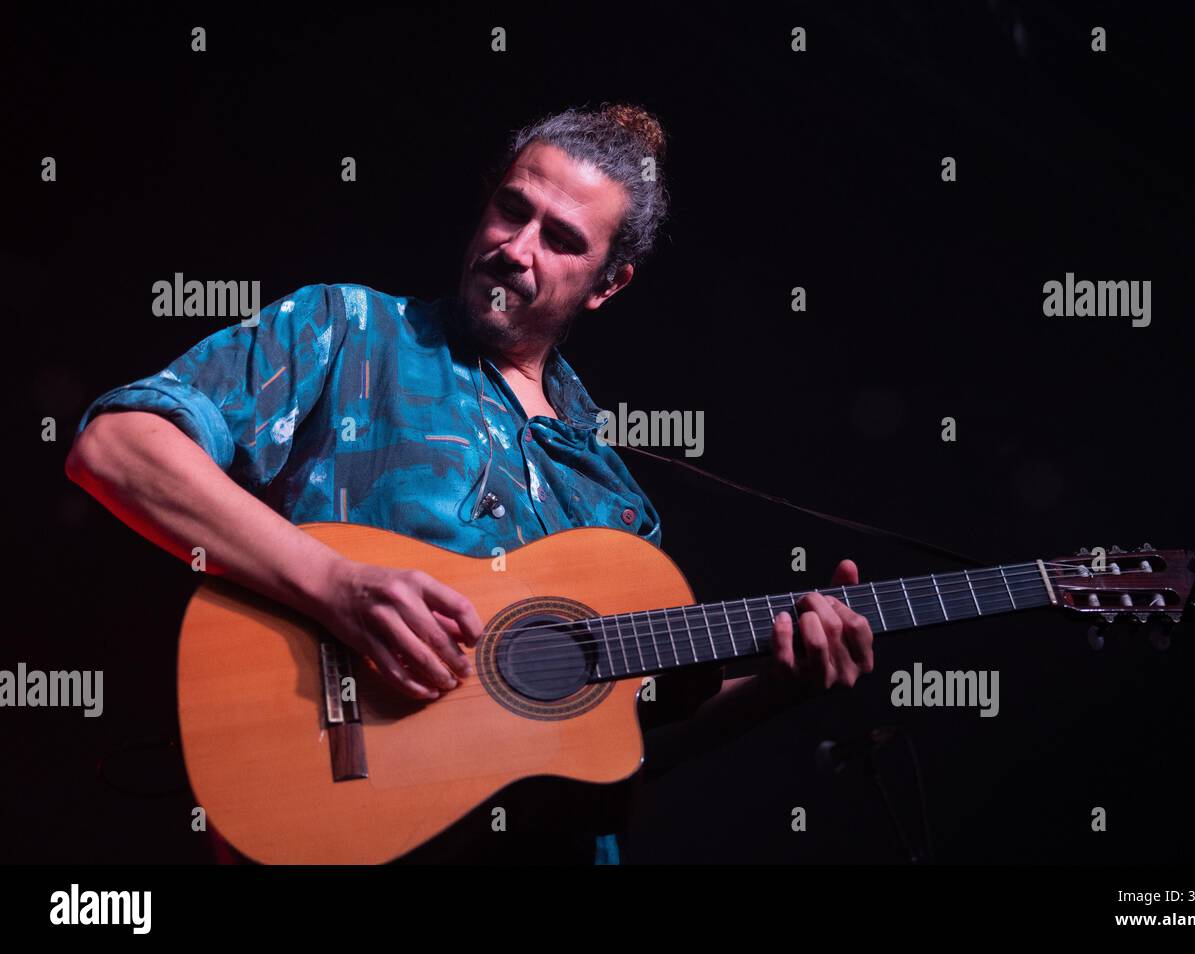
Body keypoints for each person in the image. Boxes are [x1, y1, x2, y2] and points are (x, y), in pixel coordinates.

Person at [64, 103, 874, 864]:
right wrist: (338, 586)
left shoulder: (616, 504)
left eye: (561, 239)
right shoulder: (349, 329)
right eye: (512, 209)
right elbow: (118, 447)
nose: (518, 248)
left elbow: (622, 750)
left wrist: (777, 686)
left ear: (607, 285)